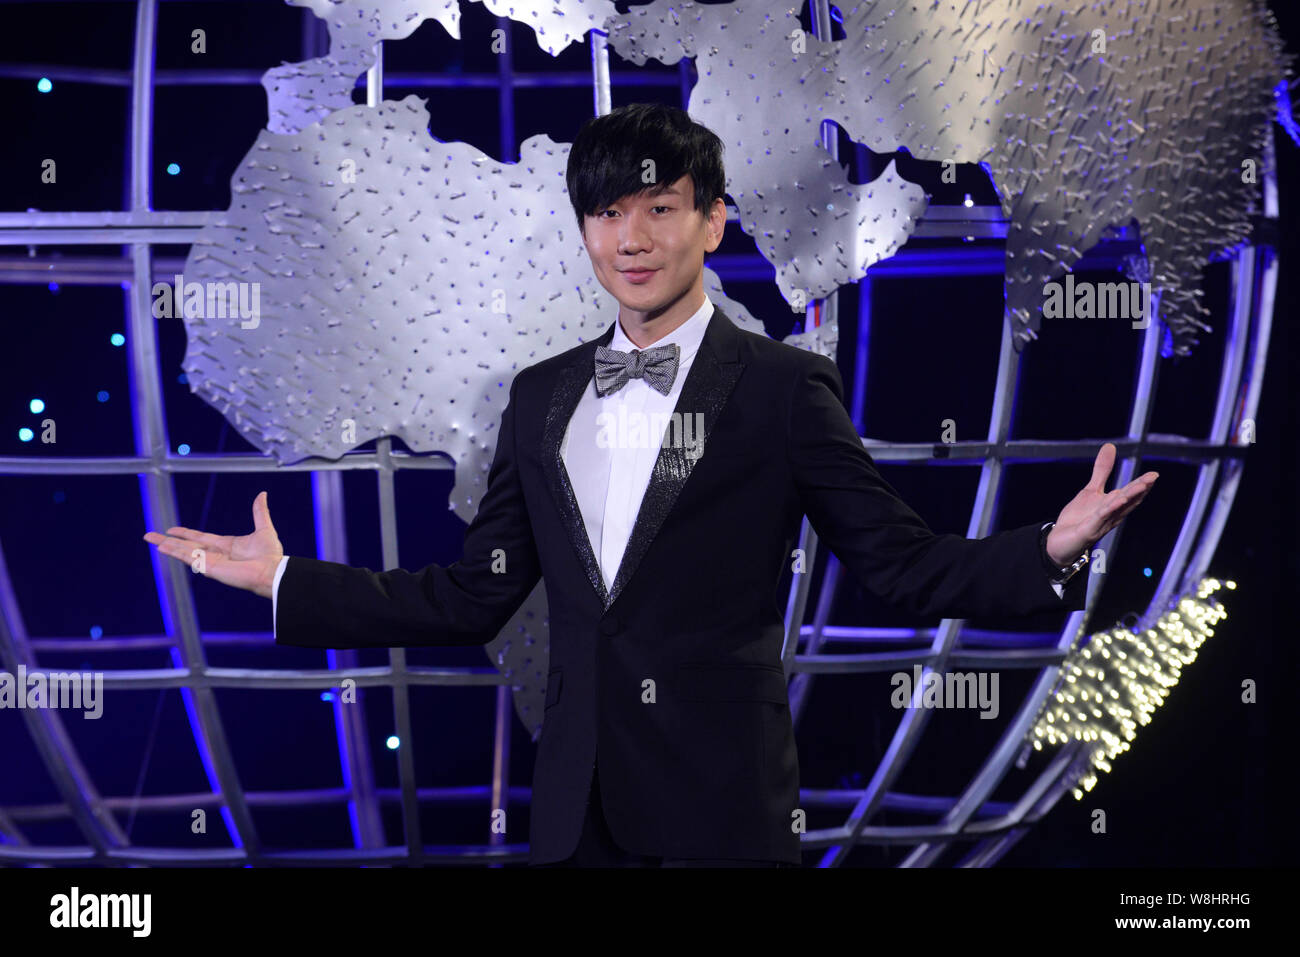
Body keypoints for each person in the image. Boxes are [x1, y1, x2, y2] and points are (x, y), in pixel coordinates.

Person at [144, 103, 1158, 867]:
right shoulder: (539, 398)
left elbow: (898, 566)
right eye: (607, 213)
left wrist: (1048, 550)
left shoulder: (782, 389)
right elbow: (472, 595)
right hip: (575, 819)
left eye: (660, 209)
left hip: (721, 814)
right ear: (583, 231)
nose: (631, 237)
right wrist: (288, 582)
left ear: (712, 224)